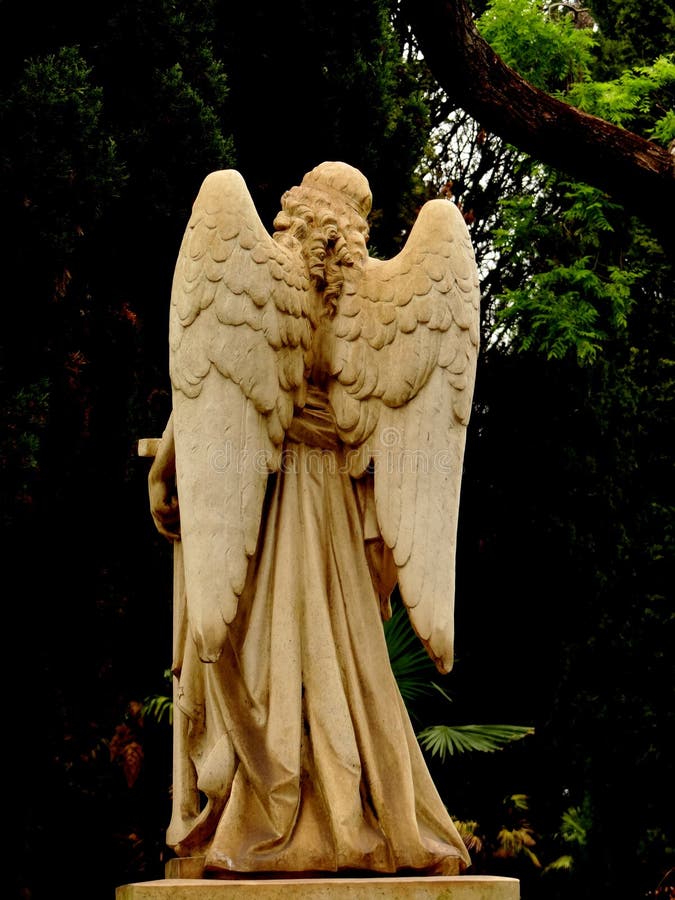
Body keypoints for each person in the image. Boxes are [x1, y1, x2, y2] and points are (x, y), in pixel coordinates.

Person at [148, 161, 479, 877]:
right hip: (327, 500)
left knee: (269, 645)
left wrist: (168, 462)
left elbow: (224, 371)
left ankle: (283, 807)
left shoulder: (268, 282)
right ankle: (355, 807)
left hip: (273, 501)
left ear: (299, 211)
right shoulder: (378, 300)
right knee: (343, 653)